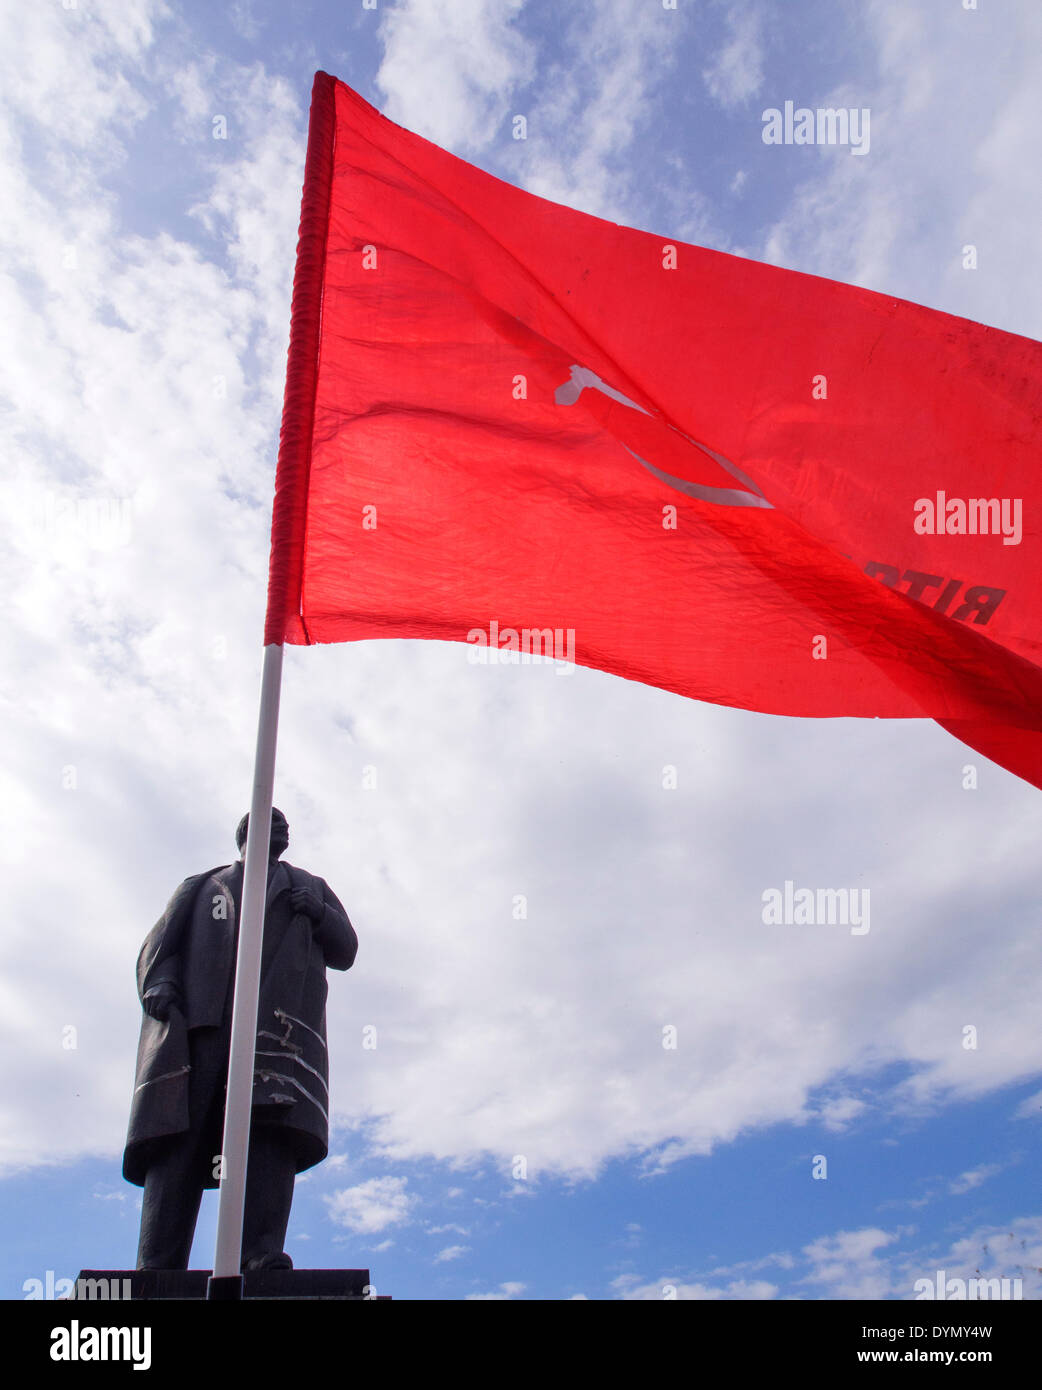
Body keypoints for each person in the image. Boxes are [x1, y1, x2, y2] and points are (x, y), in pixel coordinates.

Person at [123, 809, 357, 1270]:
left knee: (270, 1141)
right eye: (273, 820)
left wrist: (321, 914)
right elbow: (158, 948)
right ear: (246, 834)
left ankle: (258, 1254)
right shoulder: (202, 886)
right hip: (202, 1032)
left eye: (285, 823)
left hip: (276, 1035)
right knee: (180, 1139)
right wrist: (160, 983)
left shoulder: (309, 885)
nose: (285, 828)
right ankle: (158, 1261)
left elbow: (345, 950)